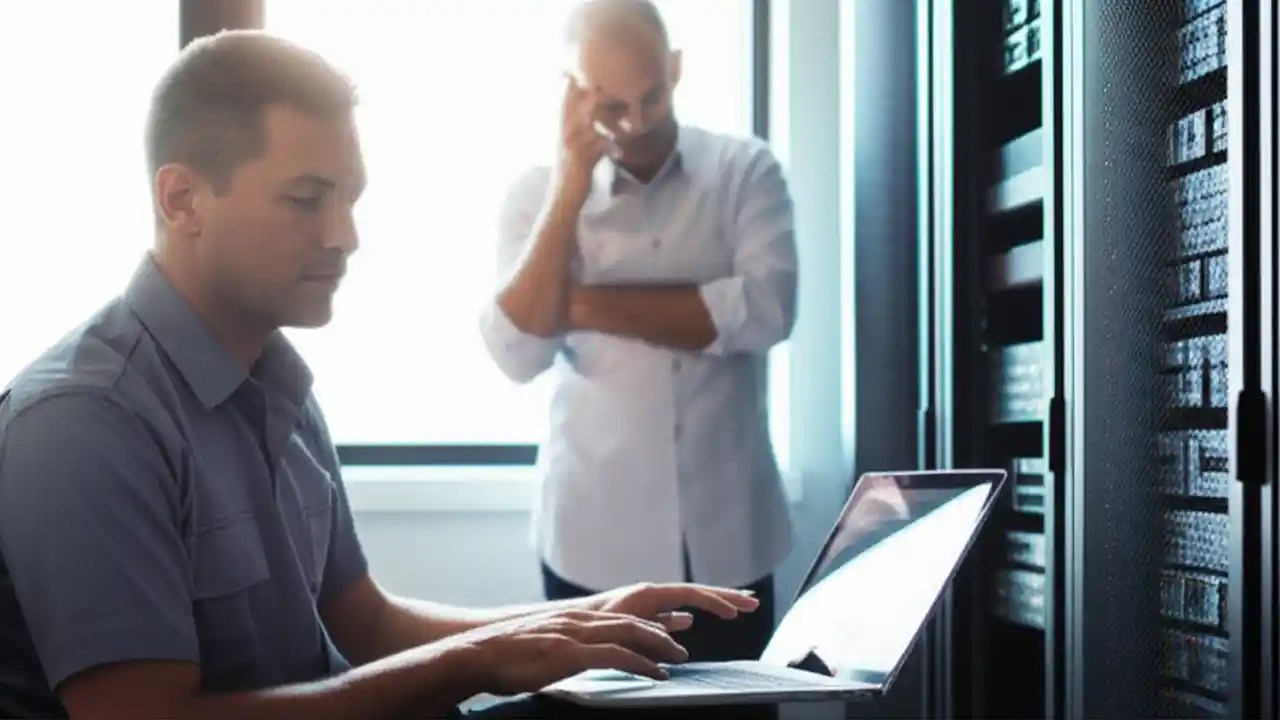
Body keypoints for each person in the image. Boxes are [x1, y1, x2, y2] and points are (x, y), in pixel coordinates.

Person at [0, 29, 763, 720]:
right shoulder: (84, 422)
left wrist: (574, 621)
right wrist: (480, 662)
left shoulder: (278, 386)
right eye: (307, 201)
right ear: (181, 198)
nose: (346, 237)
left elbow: (361, 622)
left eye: (350, 200)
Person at [480, 0, 799, 665]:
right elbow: (517, 350)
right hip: (592, 546)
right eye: (611, 106)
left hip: (731, 541)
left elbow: (767, 309)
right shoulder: (532, 197)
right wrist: (570, 187)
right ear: (573, 91)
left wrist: (578, 304)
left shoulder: (746, 171)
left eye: (650, 98)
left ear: (676, 68)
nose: (634, 123)